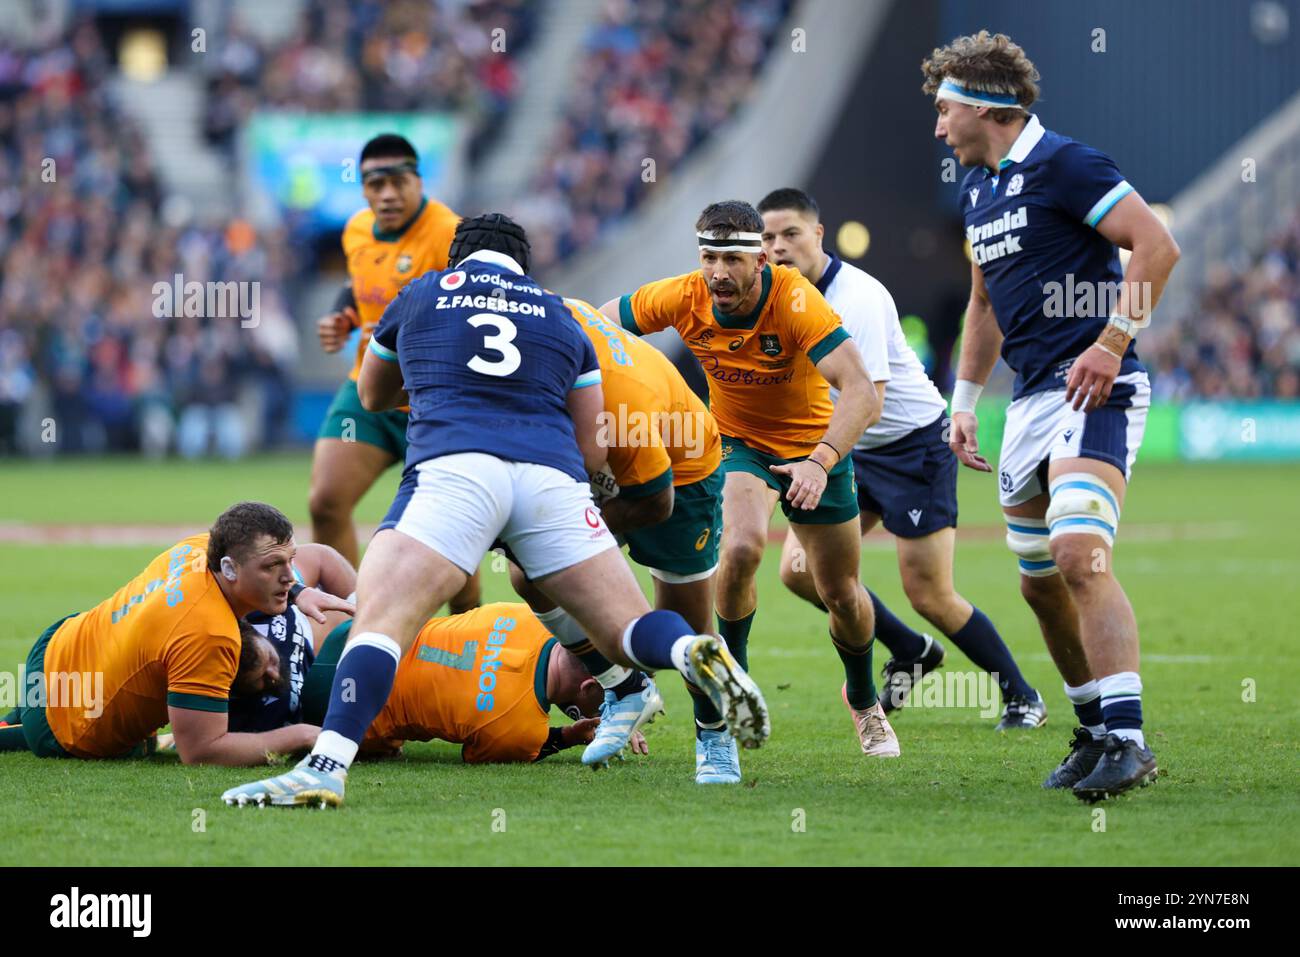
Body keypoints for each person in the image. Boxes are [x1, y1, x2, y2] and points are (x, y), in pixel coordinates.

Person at [222, 213, 768, 808]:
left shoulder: (426, 291)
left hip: (458, 466)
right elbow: (590, 450)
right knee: (628, 627)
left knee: (380, 624)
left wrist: (436, 385)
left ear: (456, 258)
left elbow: (374, 394)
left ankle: (325, 768)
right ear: (524, 268)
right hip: (552, 475)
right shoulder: (558, 313)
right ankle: (689, 651)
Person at [923, 31, 1180, 798]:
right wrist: (964, 403)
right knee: (1039, 582)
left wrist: (1111, 340)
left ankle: (1131, 741)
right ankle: (1096, 727)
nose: (938, 127)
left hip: (1093, 386)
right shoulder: (976, 191)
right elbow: (982, 305)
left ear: (986, 109)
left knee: (1078, 555)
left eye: (945, 110)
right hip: (1029, 399)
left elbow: (1156, 245)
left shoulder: (1066, 163)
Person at [601, 200, 899, 769]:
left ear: (760, 259)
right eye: (709, 256)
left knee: (840, 592)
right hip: (736, 445)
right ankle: (730, 687)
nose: (718, 272)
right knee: (738, 550)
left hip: (816, 449)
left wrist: (820, 461)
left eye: (732, 259)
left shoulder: (794, 299)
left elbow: (862, 392)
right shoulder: (683, 294)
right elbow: (596, 322)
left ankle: (863, 698)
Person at [758, 187, 1045, 730]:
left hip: (910, 445)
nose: (778, 247)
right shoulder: (771, 298)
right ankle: (911, 650)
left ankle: (1022, 695)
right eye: (768, 237)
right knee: (798, 571)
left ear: (818, 235)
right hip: (846, 451)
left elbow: (871, 400)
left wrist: (814, 458)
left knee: (930, 594)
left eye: (790, 233)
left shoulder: (855, 298)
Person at [510, 295, 736, 782]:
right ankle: (626, 687)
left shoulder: (621, 401)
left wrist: (585, 541)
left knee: (689, 626)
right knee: (526, 573)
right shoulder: (540, 323)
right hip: (597, 456)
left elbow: (656, 501)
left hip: (681, 471)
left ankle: (715, 735)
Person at [0, 503, 350, 764]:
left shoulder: (203, 547)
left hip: (60, 643)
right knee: (138, 745)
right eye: (273, 566)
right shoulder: (210, 633)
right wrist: (304, 734)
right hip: (62, 719)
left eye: (290, 560)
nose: (289, 575)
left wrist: (301, 593)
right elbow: (200, 750)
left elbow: (274, 570)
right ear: (230, 568)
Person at [308, 132, 480, 613]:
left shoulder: (449, 233)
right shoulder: (357, 229)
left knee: (452, 533)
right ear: (362, 188)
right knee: (326, 501)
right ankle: (346, 619)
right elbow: (360, 283)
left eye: (398, 182)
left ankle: (468, 632)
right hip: (367, 390)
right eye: (374, 183)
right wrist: (343, 313)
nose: (386, 194)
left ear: (418, 181)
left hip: (433, 402)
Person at [222, 600, 647, 768]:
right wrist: (571, 736)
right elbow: (477, 755)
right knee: (384, 743)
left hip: (351, 637)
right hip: (347, 717)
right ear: (590, 687)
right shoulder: (520, 730)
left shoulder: (520, 616)